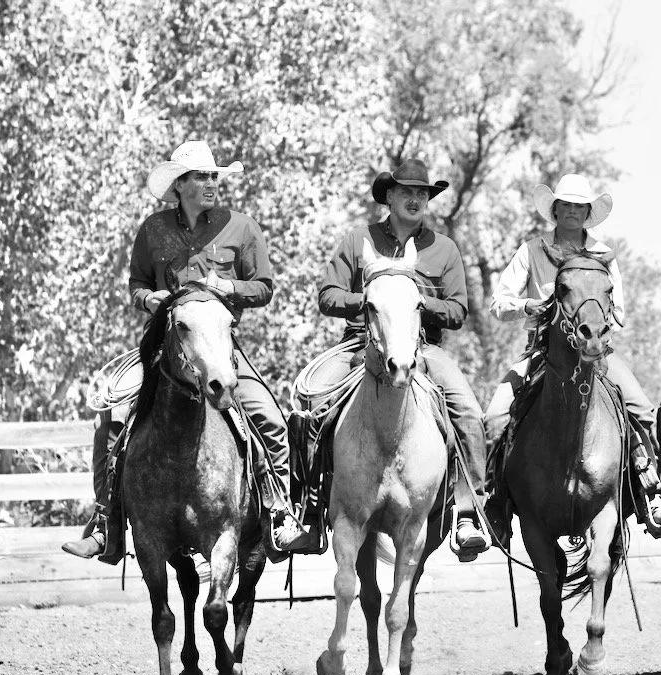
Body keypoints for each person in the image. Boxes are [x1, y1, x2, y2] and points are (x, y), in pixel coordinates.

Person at [62, 140, 311, 561]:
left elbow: (265, 287)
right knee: (112, 417)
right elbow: (136, 284)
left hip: (219, 348)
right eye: (201, 176)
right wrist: (149, 300)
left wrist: (226, 287)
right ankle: (106, 521)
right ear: (179, 185)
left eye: (214, 175)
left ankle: (280, 515)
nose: (211, 183)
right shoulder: (153, 229)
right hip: (163, 351)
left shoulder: (241, 226)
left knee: (269, 419)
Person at [312, 159, 490, 560]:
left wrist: (418, 303)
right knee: (310, 404)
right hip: (361, 342)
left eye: (422, 193)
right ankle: (306, 509)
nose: (415, 199)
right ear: (388, 196)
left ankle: (467, 513)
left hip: (423, 347)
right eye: (406, 191)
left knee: (469, 414)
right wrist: (373, 302)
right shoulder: (358, 239)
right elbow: (327, 296)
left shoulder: (444, 249)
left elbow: (458, 310)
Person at [484, 173, 661, 534]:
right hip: (542, 350)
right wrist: (530, 305)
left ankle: (651, 491)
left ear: (588, 212)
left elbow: (618, 311)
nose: (572, 211)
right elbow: (499, 303)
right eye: (566, 204)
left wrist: (596, 321)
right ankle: (496, 502)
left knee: (640, 408)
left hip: (596, 353)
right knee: (495, 416)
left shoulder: (604, 255)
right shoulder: (531, 251)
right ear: (554, 209)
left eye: (579, 205)